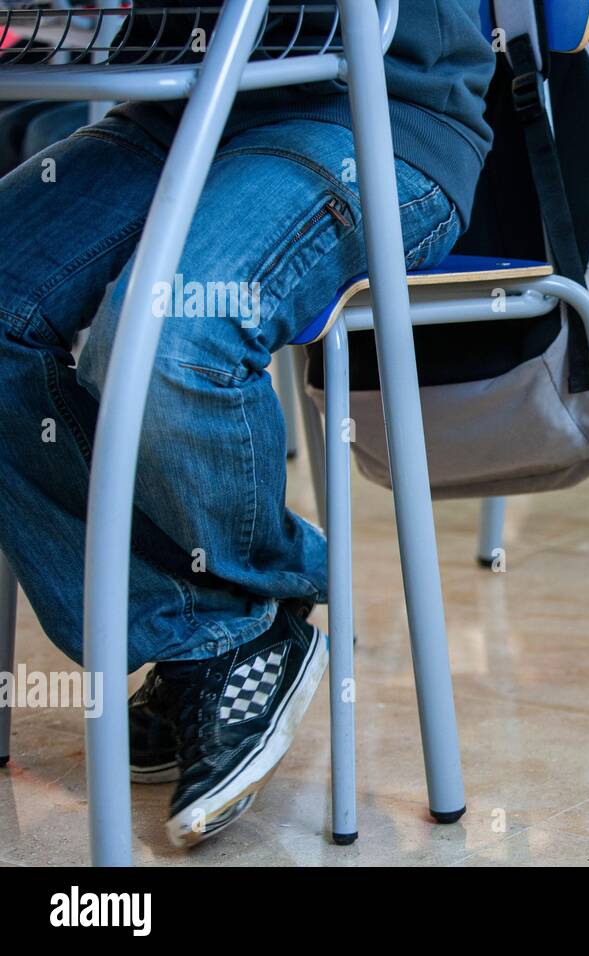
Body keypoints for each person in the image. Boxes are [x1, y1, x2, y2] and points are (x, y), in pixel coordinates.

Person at [0, 0, 493, 846]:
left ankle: (232, 619)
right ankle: (215, 634)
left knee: (164, 334)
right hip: (180, 97)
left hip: (373, 108)